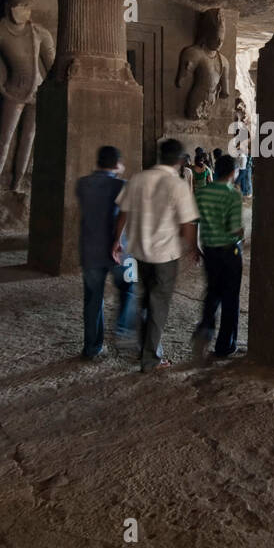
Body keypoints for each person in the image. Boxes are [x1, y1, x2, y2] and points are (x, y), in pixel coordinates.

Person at [113, 139, 200, 373]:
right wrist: (193, 247)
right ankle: (151, 358)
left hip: (140, 252)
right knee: (157, 307)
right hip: (164, 256)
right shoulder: (177, 184)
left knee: (144, 300)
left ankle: (145, 348)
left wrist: (116, 241)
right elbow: (187, 223)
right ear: (180, 160)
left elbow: (123, 212)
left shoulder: (138, 178)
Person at [76, 146, 136, 360]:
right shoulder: (122, 185)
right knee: (130, 289)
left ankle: (92, 347)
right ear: (116, 164)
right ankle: (124, 331)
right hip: (119, 250)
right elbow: (125, 214)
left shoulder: (82, 184)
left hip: (90, 249)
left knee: (93, 300)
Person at [192, 153, 245, 361]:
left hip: (210, 249)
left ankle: (205, 330)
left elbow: (194, 221)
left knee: (213, 292)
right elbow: (233, 228)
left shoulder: (202, 193)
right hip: (229, 251)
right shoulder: (233, 194)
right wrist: (241, 233)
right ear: (233, 172)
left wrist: (194, 247)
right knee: (231, 298)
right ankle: (225, 346)